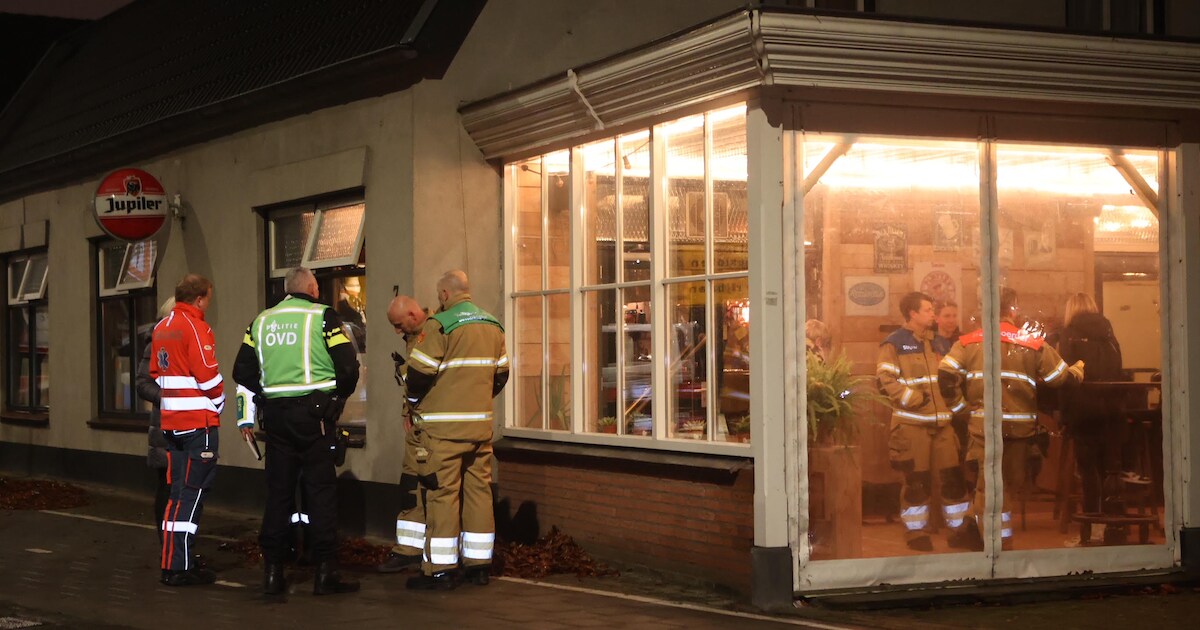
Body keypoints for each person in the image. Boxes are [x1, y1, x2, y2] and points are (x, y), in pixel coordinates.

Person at [233, 267, 361, 596]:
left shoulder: (260, 321)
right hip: (315, 418)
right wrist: (336, 398)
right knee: (321, 492)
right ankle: (325, 572)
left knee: (278, 493)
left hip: (276, 419)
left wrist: (268, 392)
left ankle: (273, 574)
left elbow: (241, 370)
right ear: (313, 289)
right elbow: (348, 367)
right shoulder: (323, 317)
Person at [938, 287, 1084, 549]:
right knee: (1003, 485)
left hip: (983, 427)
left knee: (988, 484)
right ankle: (998, 542)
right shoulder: (1031, 342)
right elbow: (1058, 378)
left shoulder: (969, 341)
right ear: (1013, 310)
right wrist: (1078, 370)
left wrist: (962, 410)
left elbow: (946, 377)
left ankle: (979, 532)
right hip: (1018, 429)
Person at [405, 270, 509, 590]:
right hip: (479, 428)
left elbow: (418, 375)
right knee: (479, 493)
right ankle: (479, 567)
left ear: (445, 294)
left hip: (443, 431)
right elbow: (501, 375)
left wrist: (413, 402)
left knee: (442, 495)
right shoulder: (493, 324)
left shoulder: (439, 325)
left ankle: (440, 570)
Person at [876, 292, 971, 551]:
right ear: (913, 313)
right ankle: (916, 534)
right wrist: (914, 399)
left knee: (953, 480)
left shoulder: (938, 343)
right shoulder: (894, 343)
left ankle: (959, 531)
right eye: (928, 310)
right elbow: (885, 381)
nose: (932, 314)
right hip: (912, 425)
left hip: (943, 425)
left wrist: (956, 407)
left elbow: (951, 378)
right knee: (917, 483)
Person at [152, 276, 223, 586]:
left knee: (177, 495)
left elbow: (156, 374)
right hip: (198, 424)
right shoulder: (196, 327)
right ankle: (181, 568)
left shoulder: (161, 327)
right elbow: (208, 375)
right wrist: (219, 403)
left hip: (172, 424)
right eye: (208, 299)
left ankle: (171, 564)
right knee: (192, 496)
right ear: (199, 299)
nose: (208, 304)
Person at [1057, 293, 1125, 520]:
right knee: (1109, 467)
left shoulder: (1069, 333)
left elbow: (1066, 376)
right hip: (1111, 408)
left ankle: (1092, 521)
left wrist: (1063, 416)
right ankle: (1112, 518)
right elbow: (1118, 367)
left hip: (1083, 408)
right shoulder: (1108, 331)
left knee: (1088, 468)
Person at [377, 294, 431, 573]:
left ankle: (426, 551)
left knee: (430, 486)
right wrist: (405, 413)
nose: (397, 331)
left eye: (398, 325)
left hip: (433, 425)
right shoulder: (414, 337)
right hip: (418, 423)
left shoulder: (435, 333)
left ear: (412, 314)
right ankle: (409, 549)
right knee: (411, 484)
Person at [136, 297, 175, 543]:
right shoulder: (157, 343)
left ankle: (177, 548)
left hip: (185, 426)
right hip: (165, 427)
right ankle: (167, 546)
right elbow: (142, 383)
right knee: (167, 487)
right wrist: (169, 398)